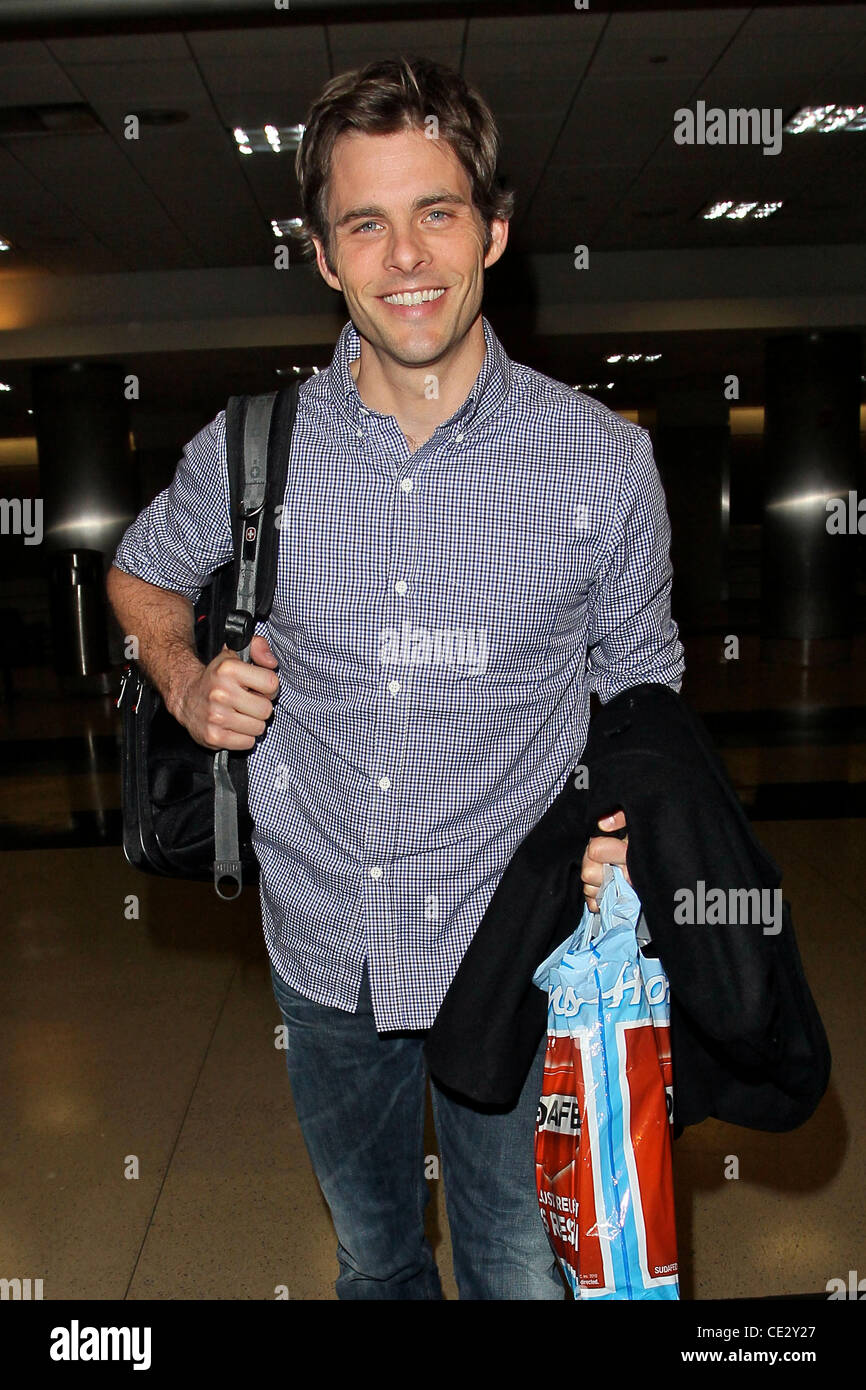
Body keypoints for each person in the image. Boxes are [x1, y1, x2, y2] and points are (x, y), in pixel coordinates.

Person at [106, 55, 684, 1300]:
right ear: (322, 255)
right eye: (365, 222)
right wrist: (182, 673)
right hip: (325, 950)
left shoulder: (598, 463)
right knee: (374, 1260)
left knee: (521, 1270)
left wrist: (623, 831)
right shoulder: (256, 448)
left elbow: (644, 689)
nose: (406, 256)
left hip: (520, 945)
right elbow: (140, 577)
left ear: (493, 228)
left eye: (436, 211)